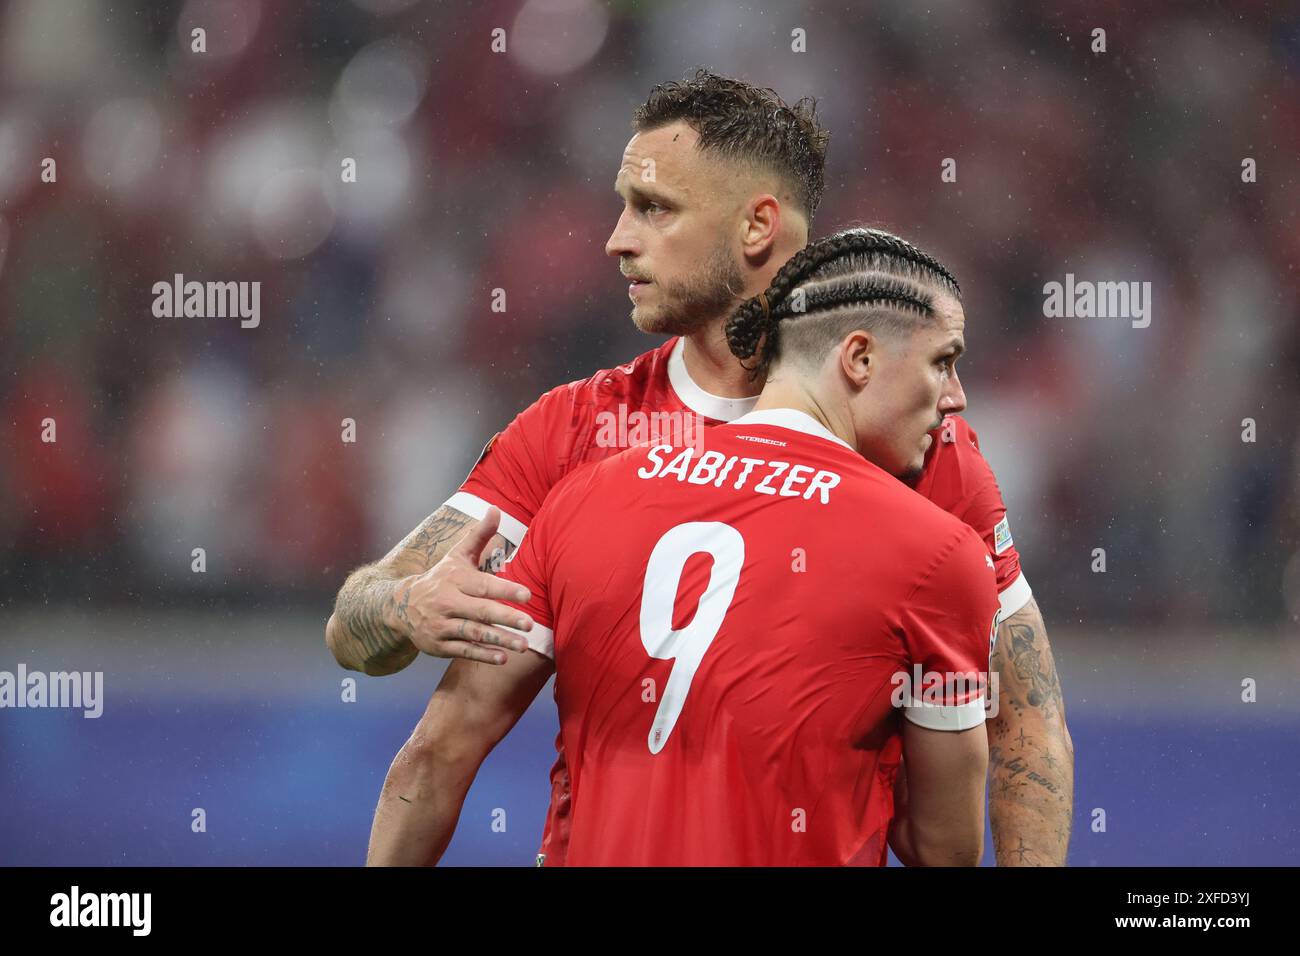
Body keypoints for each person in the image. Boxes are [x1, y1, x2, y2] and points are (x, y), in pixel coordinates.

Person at [332, 70, 1073, 866]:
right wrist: (407, 605)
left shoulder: (922, 450)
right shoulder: (576, 428)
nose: (617, 238)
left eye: (653, 208)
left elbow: (1024, 723)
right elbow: (358, 636)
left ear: (758, 226)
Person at [371, 228, 997, 866]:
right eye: (942, 361)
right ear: (858, 358)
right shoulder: (938, 553)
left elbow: (434, 757)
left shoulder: (586, 494)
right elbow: (938, 848)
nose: (955, 397)